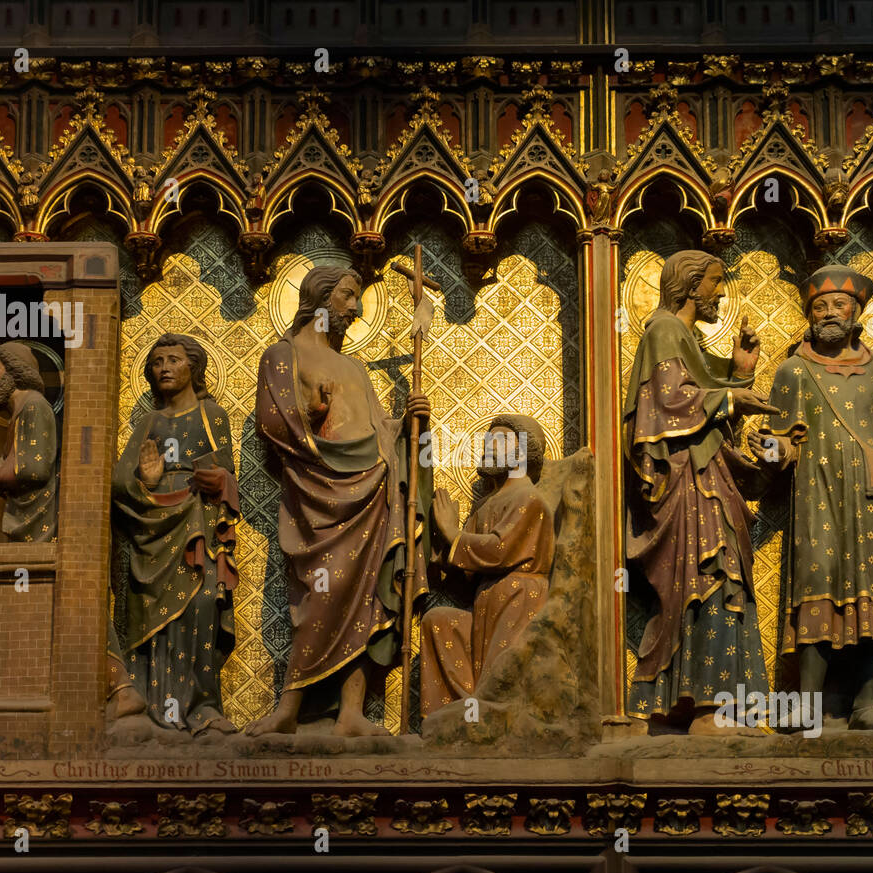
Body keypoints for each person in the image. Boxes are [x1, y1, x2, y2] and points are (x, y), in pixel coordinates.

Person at [246, 265, 432, 737]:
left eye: (358, 299)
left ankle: (352, 713)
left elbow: (378, 432)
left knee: (370, 597)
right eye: (348, 296)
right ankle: (288, 708)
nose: (356, 307)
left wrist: (411, 424)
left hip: (374, 490)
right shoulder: (282, 355)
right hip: (322, 495)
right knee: (322, 595)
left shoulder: (353, 368)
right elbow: (272, 422)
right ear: (320, 296)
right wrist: (312, 413)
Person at [747, 265, 873, 733]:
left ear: (857, 312)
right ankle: (807, 703)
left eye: (838, 305)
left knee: (870, 590)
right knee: (816, 581)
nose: (828, 314)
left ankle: (865, 702)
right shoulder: (793, 371)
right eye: (819, 307)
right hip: (817, 491)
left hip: (870, 497)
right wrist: (773, 449)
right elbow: (783, 440)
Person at [624, 250, 776, 733]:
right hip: (690, 481)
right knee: (708, 579)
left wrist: (739, 371)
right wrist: (730, 394)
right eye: (715, 283)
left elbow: (701, 395)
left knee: (722, 579)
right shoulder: (664, 330)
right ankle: (707, 706)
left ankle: (709, 704)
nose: (720, 293)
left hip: (707, 475)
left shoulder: (681, 336)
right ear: (691, 286)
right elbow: (671, 401)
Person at [111, 333, 239, 734]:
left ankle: (202, 706)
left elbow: (230, 478)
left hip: (195, 525)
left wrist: (218, 478)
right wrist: (145, 482)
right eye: (156, 361)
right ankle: (155, 710)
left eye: (173, 359)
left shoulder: (211, 415)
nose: (163, 367)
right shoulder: (149, 422)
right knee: (151, 616)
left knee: (202, 603)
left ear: (193, 368)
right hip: (151, 532)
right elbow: (118, 483)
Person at [421, 415, 555, 715]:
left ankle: (491, 714)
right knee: (438, 621)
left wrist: (453, 533)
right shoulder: (486, 506)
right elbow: (467, 574)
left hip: (519, 600)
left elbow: (498, 551)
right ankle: (454, 715)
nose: (488, 446)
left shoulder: (530, 499)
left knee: (501, 681)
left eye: (500, 441)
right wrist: (440, 547)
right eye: (488, 440)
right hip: (486, 603)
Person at [0, 342, 58, 542]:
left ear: (15, 370)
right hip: (26, 524)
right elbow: (21, 486)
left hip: (40, 529)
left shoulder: (34, 405)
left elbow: (35, 469)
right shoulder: (19, 411)